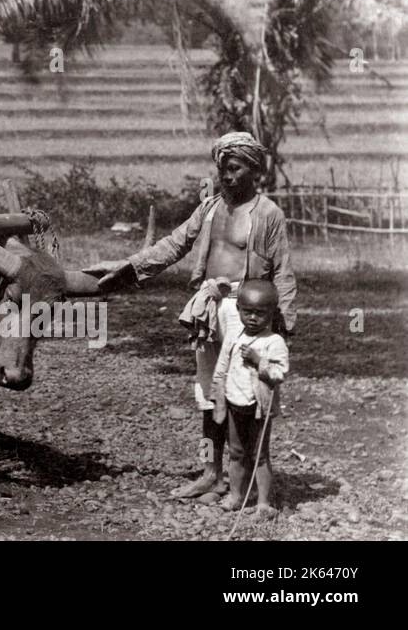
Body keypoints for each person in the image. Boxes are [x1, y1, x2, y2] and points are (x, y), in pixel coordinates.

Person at [85, 131, 297, 501]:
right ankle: (210, 474)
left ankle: (244, 481)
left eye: (233, 169)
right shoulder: (210, 208)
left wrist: (284, 323)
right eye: (221, 170)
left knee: (243, 394)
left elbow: (283, 271)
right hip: (207, 307)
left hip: (245, 311)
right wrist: (129, 268)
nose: (226, 177)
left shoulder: (268, 214)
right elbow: (175, 243)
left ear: (253, 170)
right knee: (208, 394)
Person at [212, 278, 289, 518]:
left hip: (258, 408)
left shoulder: (274, 341)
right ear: (238, 310)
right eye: (248, 312)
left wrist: (259, 361)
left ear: (272, 314)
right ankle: (236, 495)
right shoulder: (234, 337)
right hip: (234, 405)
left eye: (260, 314)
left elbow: (279, 374)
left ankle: (264, 503)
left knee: (259, 455)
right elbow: (221, 369)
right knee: (236, 452)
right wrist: (217, 398)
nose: (253, 318)